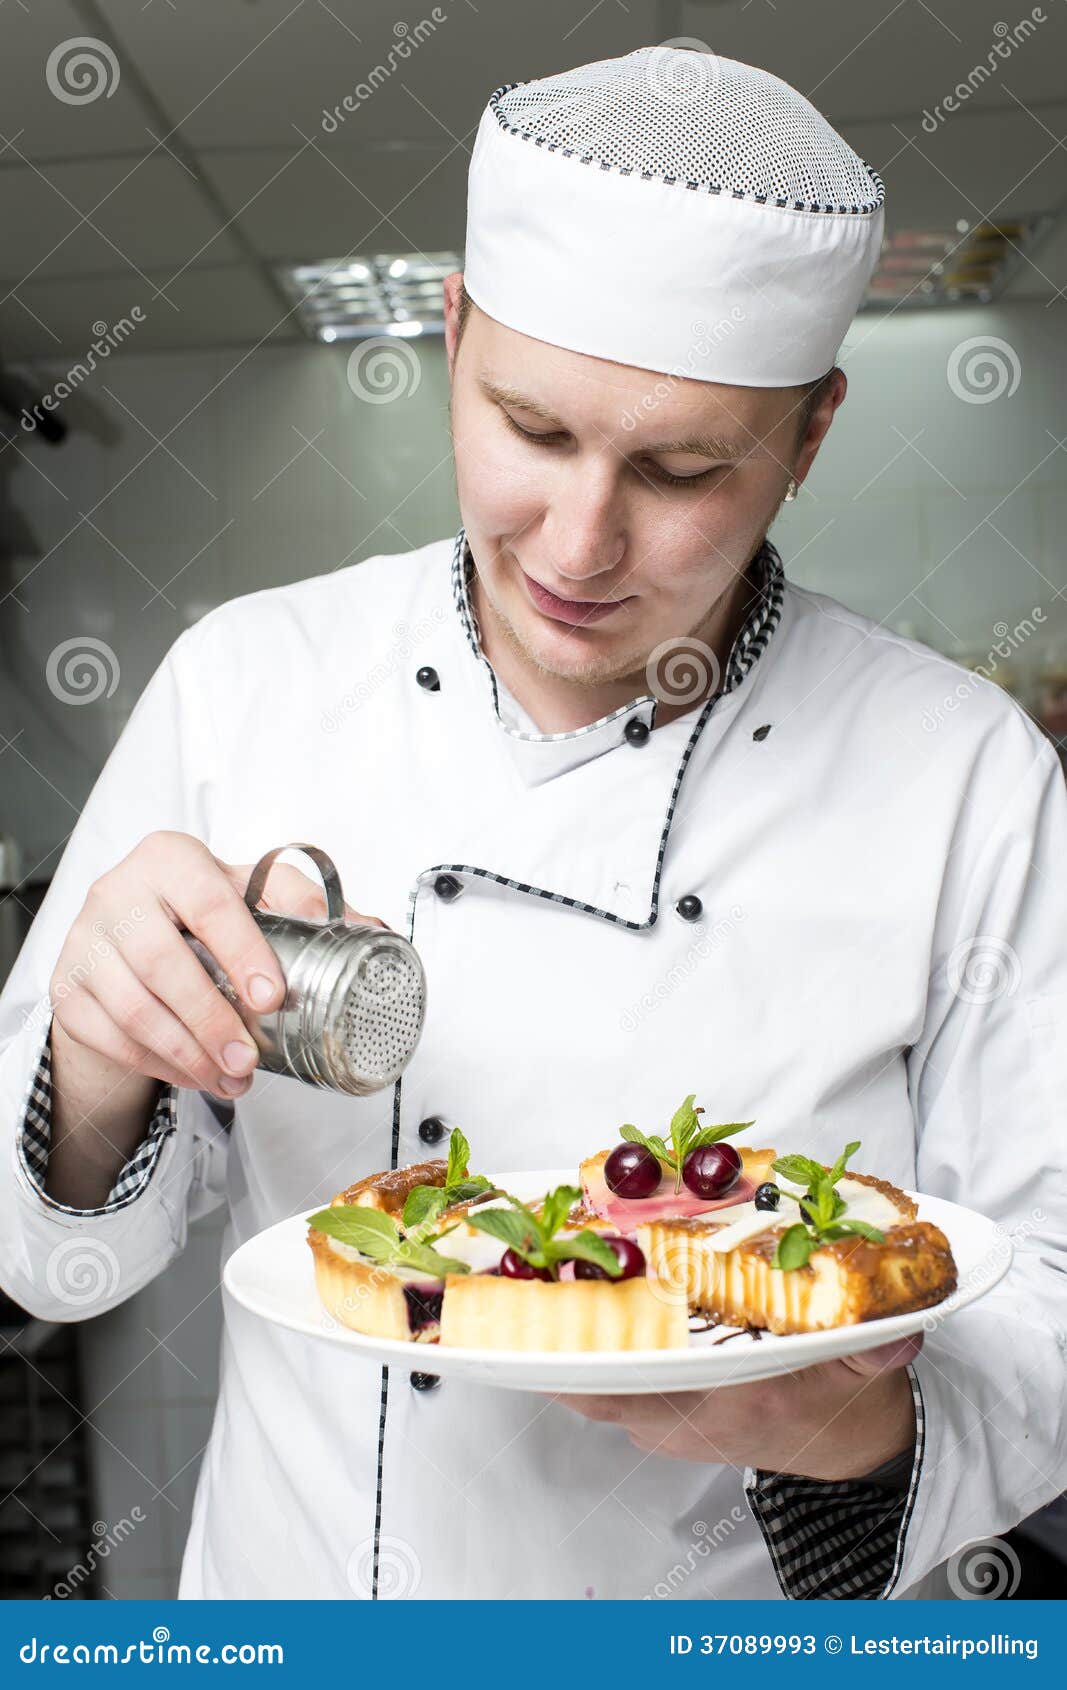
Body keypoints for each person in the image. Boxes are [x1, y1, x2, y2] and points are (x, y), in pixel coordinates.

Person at [1, 46, 1064, 1601]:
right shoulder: (246, 683)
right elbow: (49, 1257)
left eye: (682, 469)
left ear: (813, 435)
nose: (578, 542)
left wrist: (862, 1432)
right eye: (532, 429)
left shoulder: (961, 771)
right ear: (449, 339)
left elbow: (1050, 1297)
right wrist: (91, 1065)